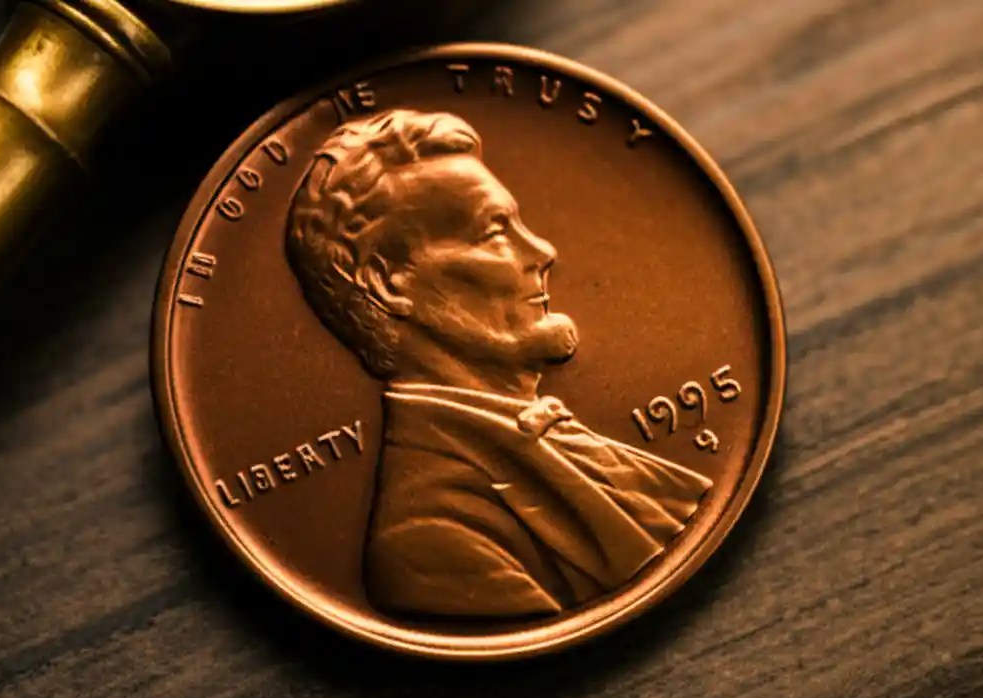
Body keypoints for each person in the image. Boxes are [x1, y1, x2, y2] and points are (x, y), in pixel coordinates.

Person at [285, 109, 712, 617]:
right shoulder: (428, 539)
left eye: (519, 224)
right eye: (493, 232)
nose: (543, 251)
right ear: (386, 281)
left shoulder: (562, 444)